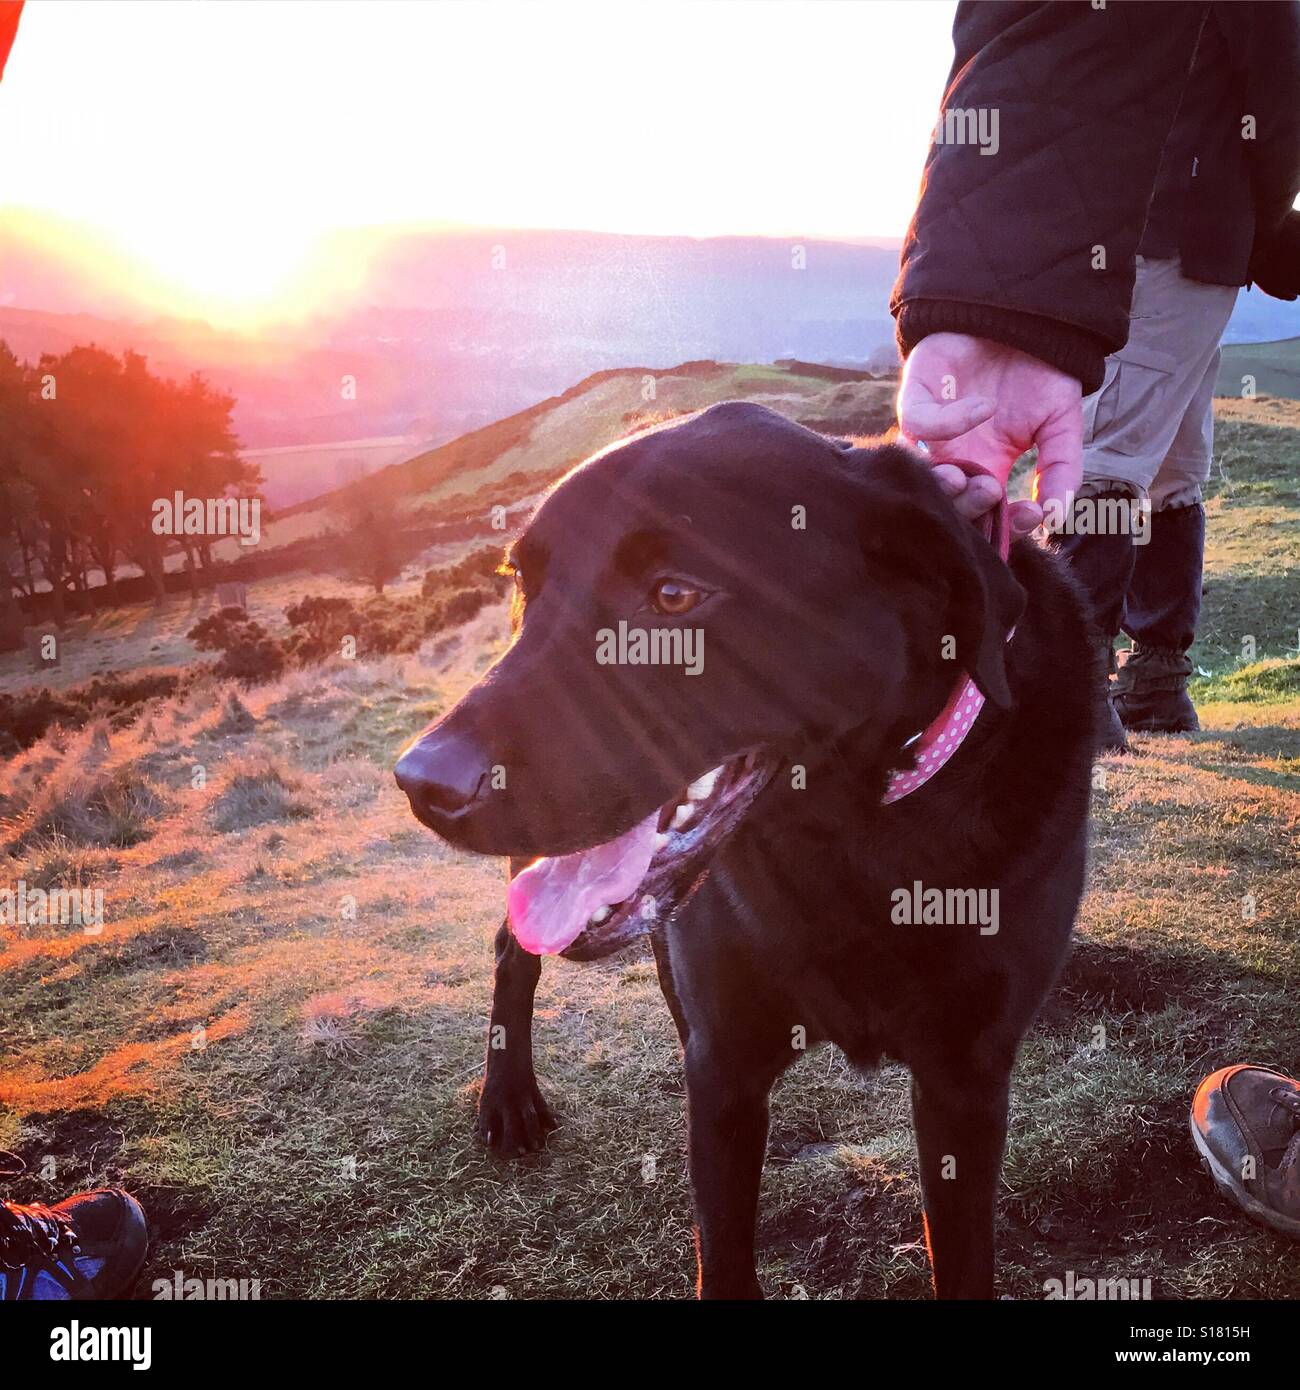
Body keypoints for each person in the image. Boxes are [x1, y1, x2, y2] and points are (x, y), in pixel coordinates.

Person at [891, 0, 1300, 1236]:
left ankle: (1137, 679)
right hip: (1179, 214)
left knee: (1161, 459)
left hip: (1187, 216)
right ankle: (1110, 683)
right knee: (1135, 461)